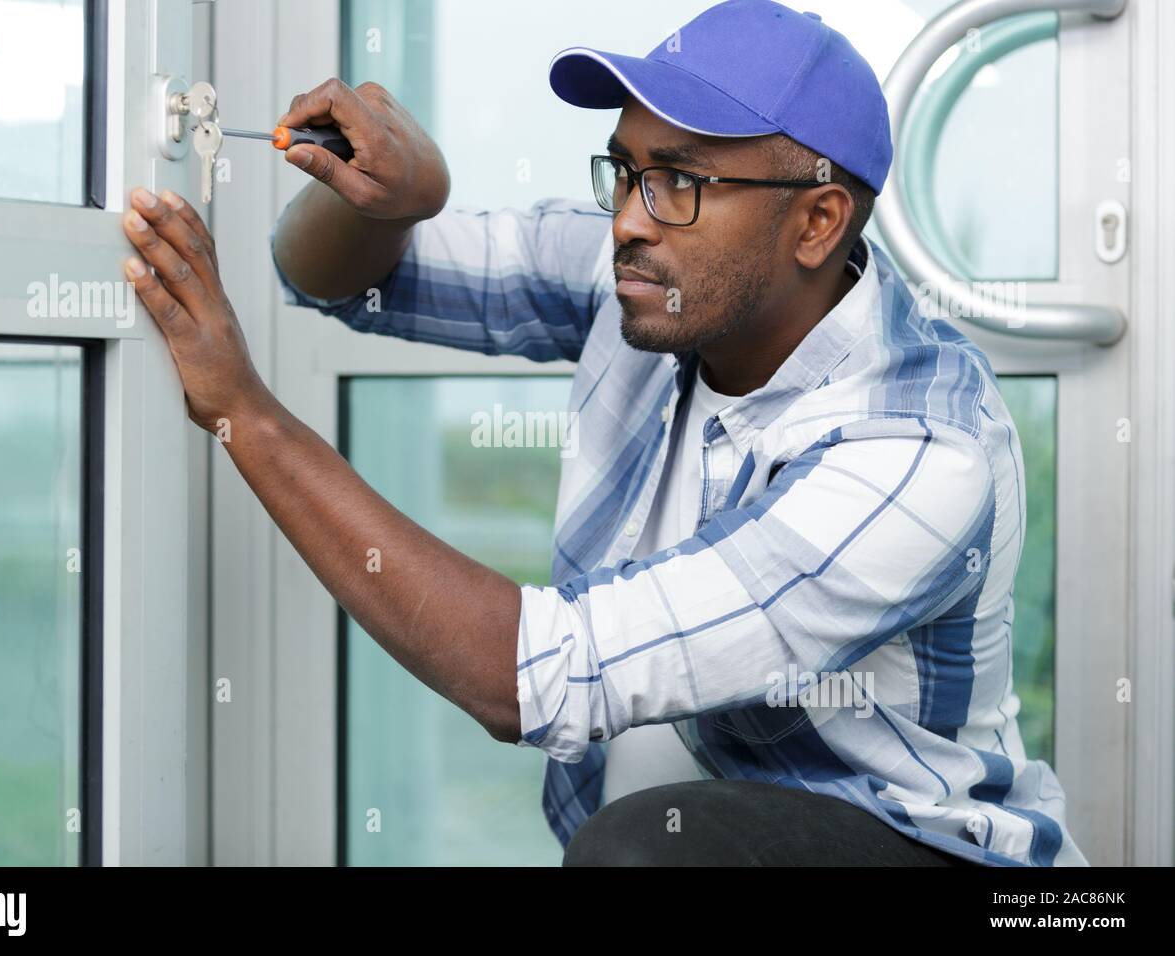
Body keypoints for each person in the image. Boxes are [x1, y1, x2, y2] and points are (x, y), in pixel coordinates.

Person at [118, 0, 1085, 866]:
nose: (628, 218)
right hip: (702, 827)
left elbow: (539, 677)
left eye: (677, 181)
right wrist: (395, 201)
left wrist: (243, 413)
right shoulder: (658, 271)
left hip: (908, 843)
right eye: (623, 171)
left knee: (638, 852)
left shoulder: (918, 451)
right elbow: (331, 276)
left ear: (818, 222)